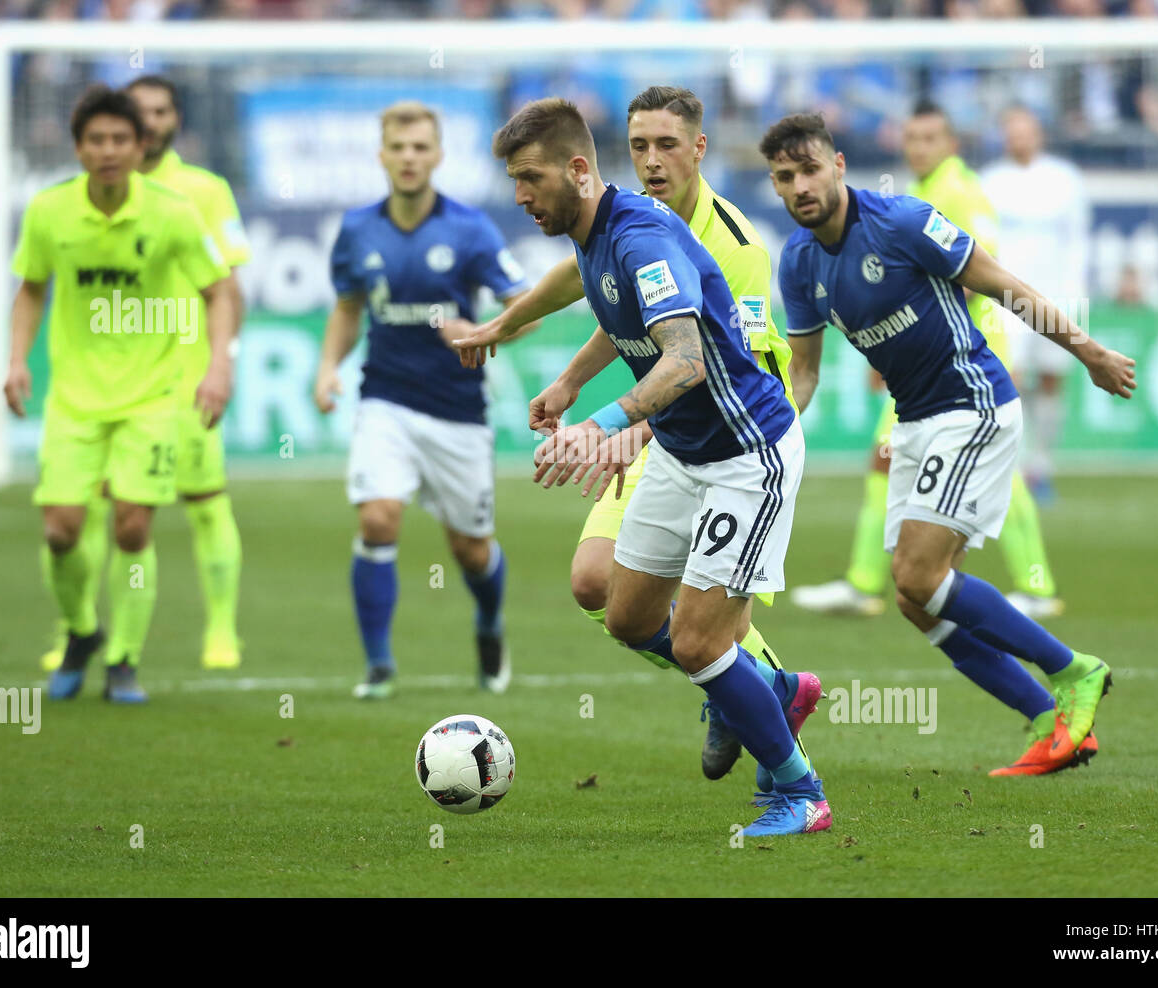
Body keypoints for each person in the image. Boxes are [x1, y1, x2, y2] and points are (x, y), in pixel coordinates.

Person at [471, 97, 829, 835]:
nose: (520, 196)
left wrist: (602, 426)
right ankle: (770, 687)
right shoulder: (594, 230)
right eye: (514, 180)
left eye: (530, 178)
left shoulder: (641, 240)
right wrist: (566, 379)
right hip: (682, 449)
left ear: (576, 169)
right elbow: (603, 302)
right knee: (627, 616)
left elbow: (687, 360)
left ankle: (800, 793)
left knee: (700, 640)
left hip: (744, 451)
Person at [763, 112, 1134, 775]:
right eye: (784, 177)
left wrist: (1090, 353)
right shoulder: (797, 262)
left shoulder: (904, 222)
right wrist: (774, 433)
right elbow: (806, 369)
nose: (799, 187)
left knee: (916, 575)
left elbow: (1007, 287)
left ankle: (1074, 671)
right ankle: (1049, 720)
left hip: (974, 405)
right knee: (915, 600)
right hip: (916, 420)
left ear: (839, 165)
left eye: (810, 169)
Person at [792, 100, 1064, 622]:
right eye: (911, 138)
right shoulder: (923, 194)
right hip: (925, 356)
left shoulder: (960, 192)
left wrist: (903, 338)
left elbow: (982, 275)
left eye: (929, 139)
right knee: (885, 459)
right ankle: (865, 581)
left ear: (951, 144)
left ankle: (1036, 585)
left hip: (963, 357)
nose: (918, 148)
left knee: (991, 470)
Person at [6, 85, 234, 704]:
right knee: (61, 529)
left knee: (133, 528)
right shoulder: (49, 211)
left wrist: (218, 366)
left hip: (152, 398)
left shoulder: (173, 213)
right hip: (74, 400)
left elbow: (218, 291)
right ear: (78, 147)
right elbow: (30, 289)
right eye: (96, 140)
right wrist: (15, 361)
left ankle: (125, 660)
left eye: (119, 140)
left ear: (139, 147)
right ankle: (82, 632)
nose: (108, 151)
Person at [314, 101, 532, 699]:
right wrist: (328, 367)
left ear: (436, 156)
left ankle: (489, 620)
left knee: (469, 549)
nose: (409, 158)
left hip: (458, 409)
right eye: (398, 147)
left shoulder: (469, 230)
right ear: (381, 154)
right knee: (378, 515)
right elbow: (349, 306)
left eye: (420, 148)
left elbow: (528, 307)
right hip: (384, 398)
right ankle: (379, 665)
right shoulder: (358, 229)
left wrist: (481, 330)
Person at [981, 105, 1091, 504]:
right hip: (1007, 298)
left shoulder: (1065, 180)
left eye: (1025, 131)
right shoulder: (989, 182)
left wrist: (1077, 292)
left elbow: (1079, 240)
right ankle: (1012, 470)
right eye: (1011, 132)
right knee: (1009, 379)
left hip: (1056, 294)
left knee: (1049, 381)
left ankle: (1041, 467)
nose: (1019, 139)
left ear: (1038, 134)